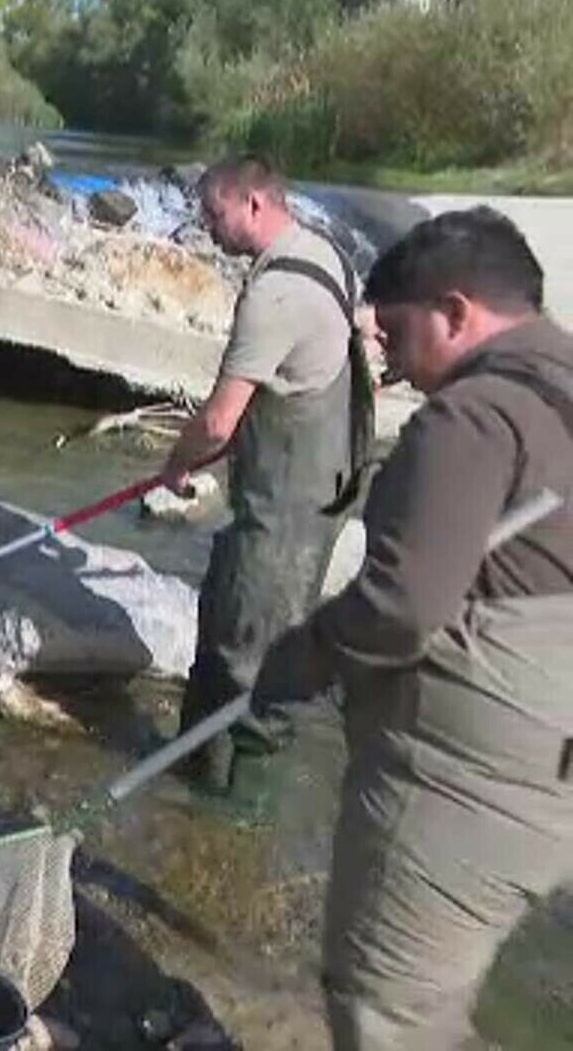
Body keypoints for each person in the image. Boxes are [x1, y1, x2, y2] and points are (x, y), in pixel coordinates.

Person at [253, 207, 573, 1050]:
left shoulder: (472, 416)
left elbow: (400, 609)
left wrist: (303, 654)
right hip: (553, 782)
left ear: (458, 312)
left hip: (480, 777)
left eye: (393, 332)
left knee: (388, 1006)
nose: (384, 358)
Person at [160, 154, 374, 794]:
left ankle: (233, 828)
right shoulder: (326, 252)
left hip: (287, 512)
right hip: (322, 488)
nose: (207, 227)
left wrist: (175, 464)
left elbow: (221, 422)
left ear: (254, 203)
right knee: (225, 626)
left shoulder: (273, 293)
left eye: (214, 213)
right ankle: (193, 781)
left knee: (252, 667)